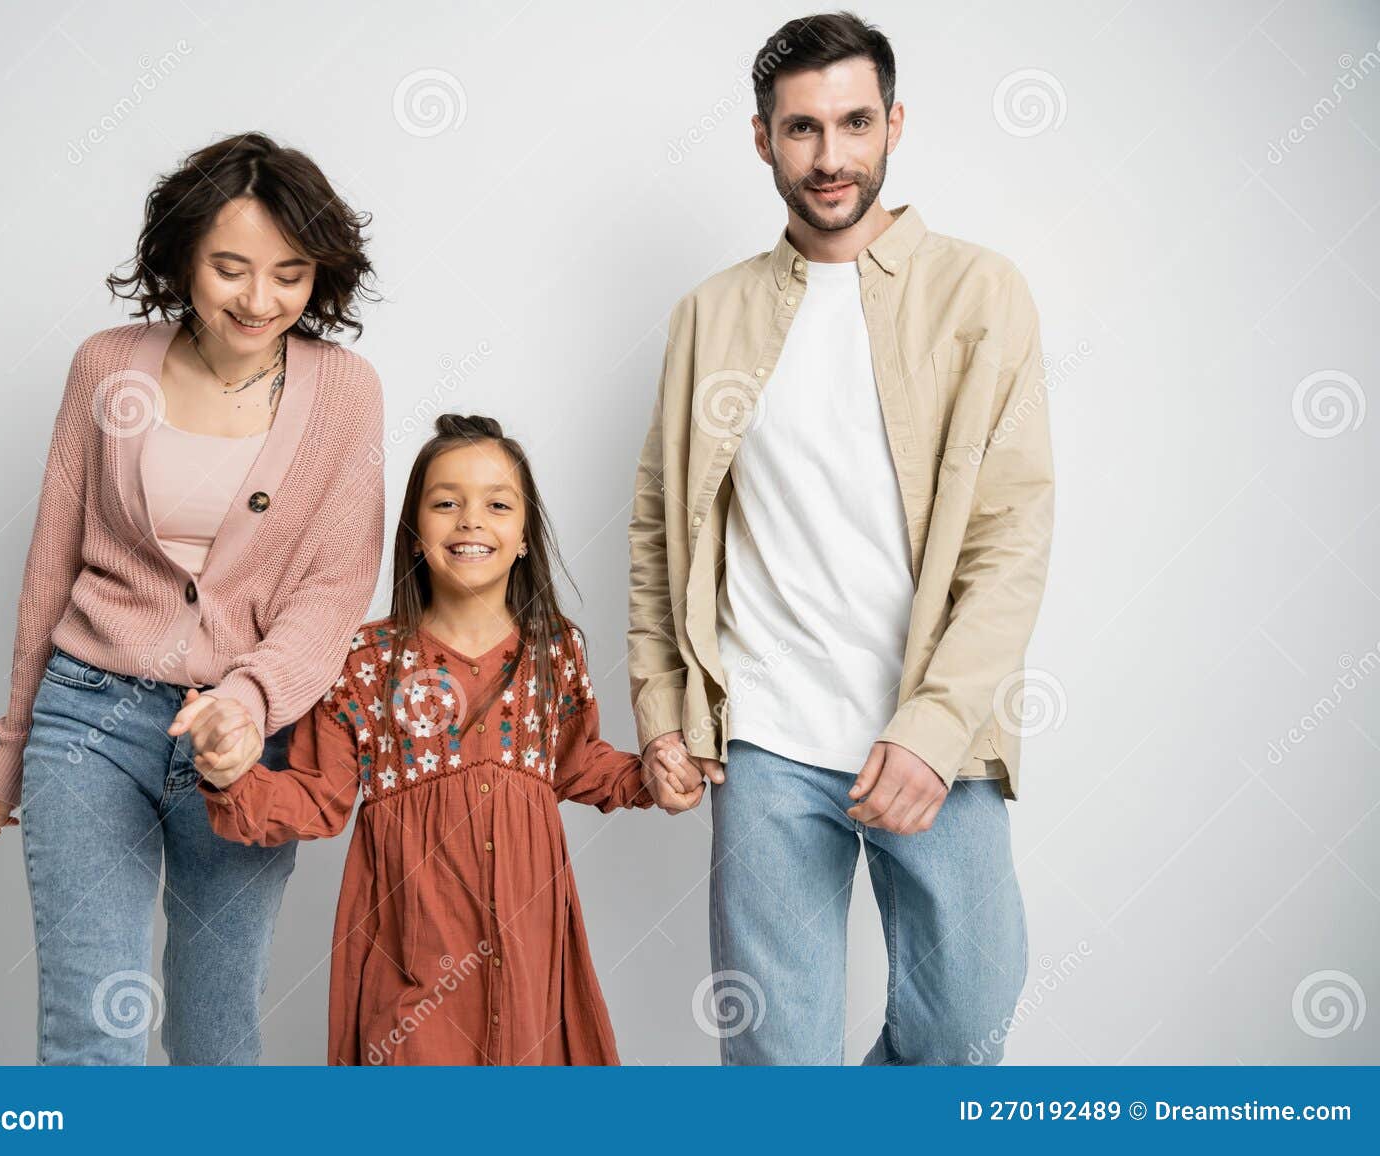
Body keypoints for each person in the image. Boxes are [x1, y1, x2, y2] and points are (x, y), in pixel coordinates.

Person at [628, 13, 1054, 1064]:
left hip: (931, 737)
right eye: (802, 129)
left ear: (893, 124)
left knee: (964, 1028)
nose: (830, 157)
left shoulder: (979, 292)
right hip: (766, 742)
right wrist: (660, 705)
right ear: (762, 139)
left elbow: (1010, 536)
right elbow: (658, 526)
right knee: (778, 1062)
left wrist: (937, 721)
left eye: (854, 123)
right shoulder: (709, 314)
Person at [0, 132, 385, 1064]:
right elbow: (51, 562)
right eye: (230, 269)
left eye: (289, 273)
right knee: (91, 1022)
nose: (259, 300)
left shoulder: (346, 392)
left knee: (215, 1025)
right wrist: (12, 741)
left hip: (246, 739)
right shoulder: (106, 367)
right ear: (182, 258)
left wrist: (246, 703)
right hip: (87, 719)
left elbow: (333, 588)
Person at [198, 413, 701, 1064]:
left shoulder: (556, 652)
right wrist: (227, 771)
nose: (470, 520)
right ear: (413, 533)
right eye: (445, 503)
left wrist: (651, 777)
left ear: (523, 536)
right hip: (410, 958)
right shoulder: (363, 662)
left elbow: (578, 764)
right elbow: (316, 799)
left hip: (530, 963)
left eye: (496, 504)